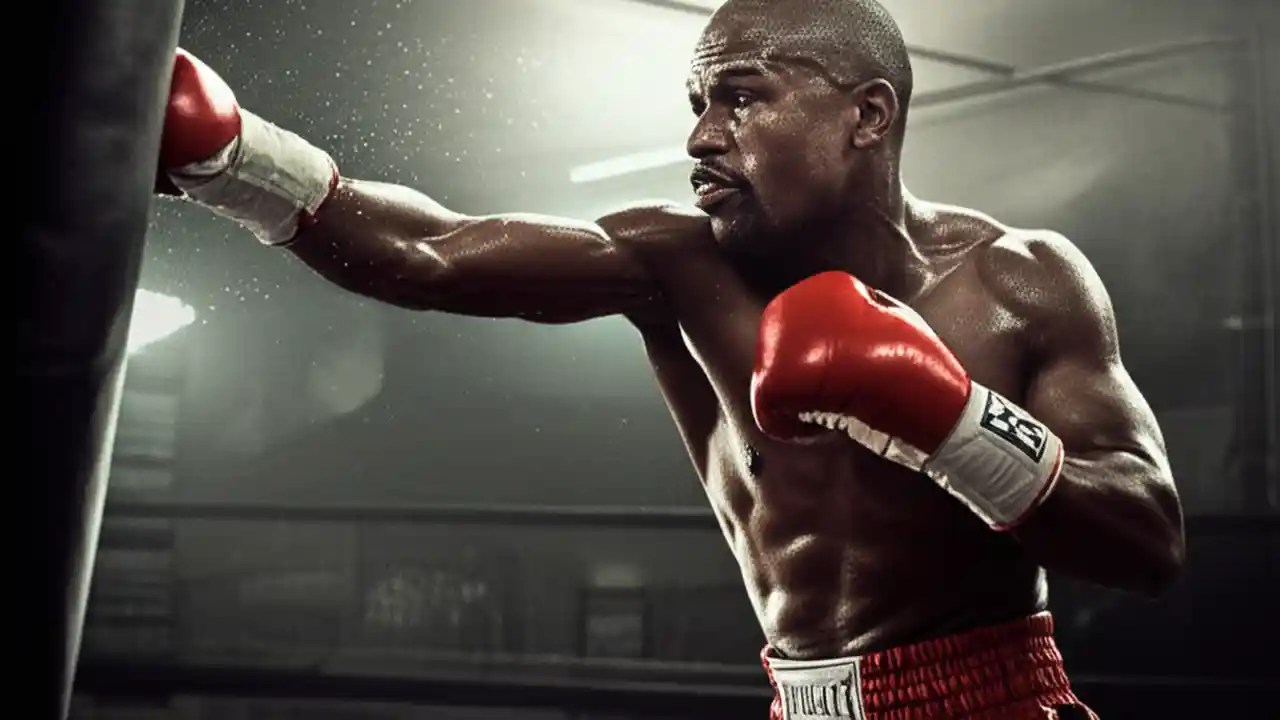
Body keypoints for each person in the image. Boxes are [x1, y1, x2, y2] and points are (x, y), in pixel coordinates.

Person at [156, 0, 1184, 716]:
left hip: (988, 702)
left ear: (866, 115)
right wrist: (233, 158)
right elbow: (428, 253)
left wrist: (946, 418)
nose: (701, 135)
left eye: (740, 98)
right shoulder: (674, 264)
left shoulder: (1019, 282)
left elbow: (1145, 539)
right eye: (695, 103)